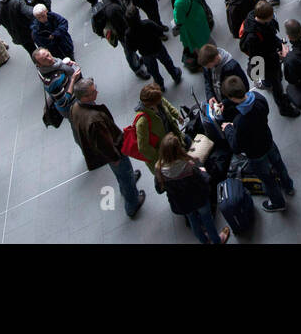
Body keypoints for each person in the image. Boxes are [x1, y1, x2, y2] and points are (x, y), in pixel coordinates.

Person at [215, 74, 295, 213]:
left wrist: (228, 128)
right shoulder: (259, 98)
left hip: (256, 154)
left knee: (267, 179)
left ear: (232, 97)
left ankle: (277, 202)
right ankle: (288, 186)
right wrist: (228, 104)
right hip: (268, 141)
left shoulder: (240, 121)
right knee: (278, 164)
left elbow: (236, 146)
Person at [70, 77, 146, 217]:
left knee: (121, 174)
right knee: (125, 173)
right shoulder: (95, 119)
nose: (97, 92)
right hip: (114, 152)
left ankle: (125, 187)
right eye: (93, 91)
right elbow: (105, 144)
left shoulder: (76, 107)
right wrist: (115, 158)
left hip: (104, 153)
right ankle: (132, 204)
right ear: (85, 97)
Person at [154, 133, 230, 244]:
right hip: (199, 200)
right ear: (178, 150)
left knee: (193, 221)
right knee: (207, 220)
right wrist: (202, 170)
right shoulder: (189, 166)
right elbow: (206, 179)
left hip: (182, 204)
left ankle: (204, 241)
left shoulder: (160, 170)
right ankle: (217, 240)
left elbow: (159, 190)